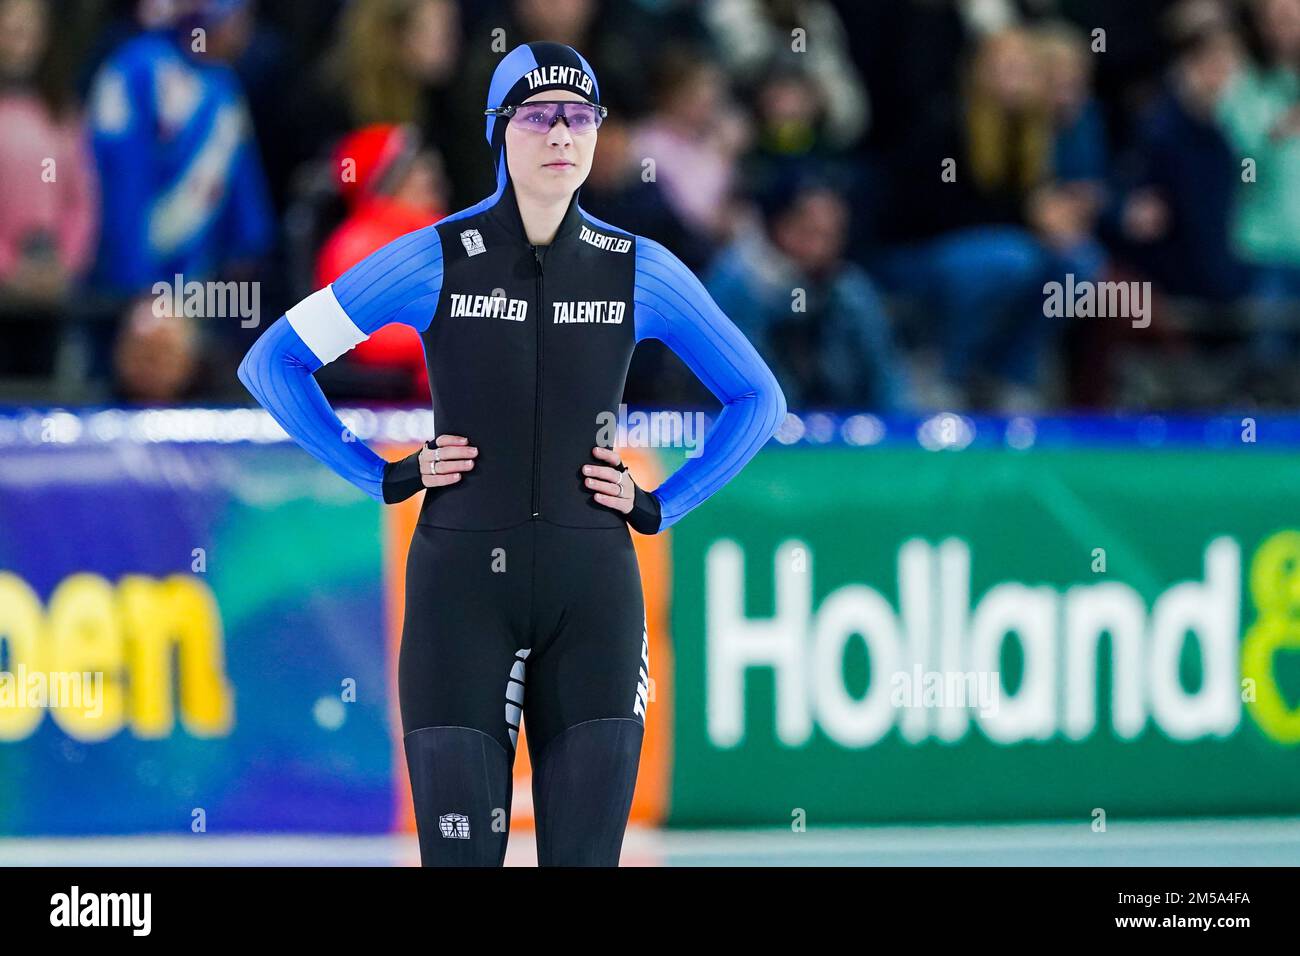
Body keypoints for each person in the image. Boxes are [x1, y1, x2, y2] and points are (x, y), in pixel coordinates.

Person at [237, 41, 786, 866]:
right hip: (460, 604)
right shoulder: (433, 259)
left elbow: (758, 400)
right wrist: (377, 471)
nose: (562, 133)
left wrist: (662, 502)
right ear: (501, 130)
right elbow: (272, 361)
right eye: (539, 115)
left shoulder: (641, 272)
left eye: (580, 117)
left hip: (593, 601)